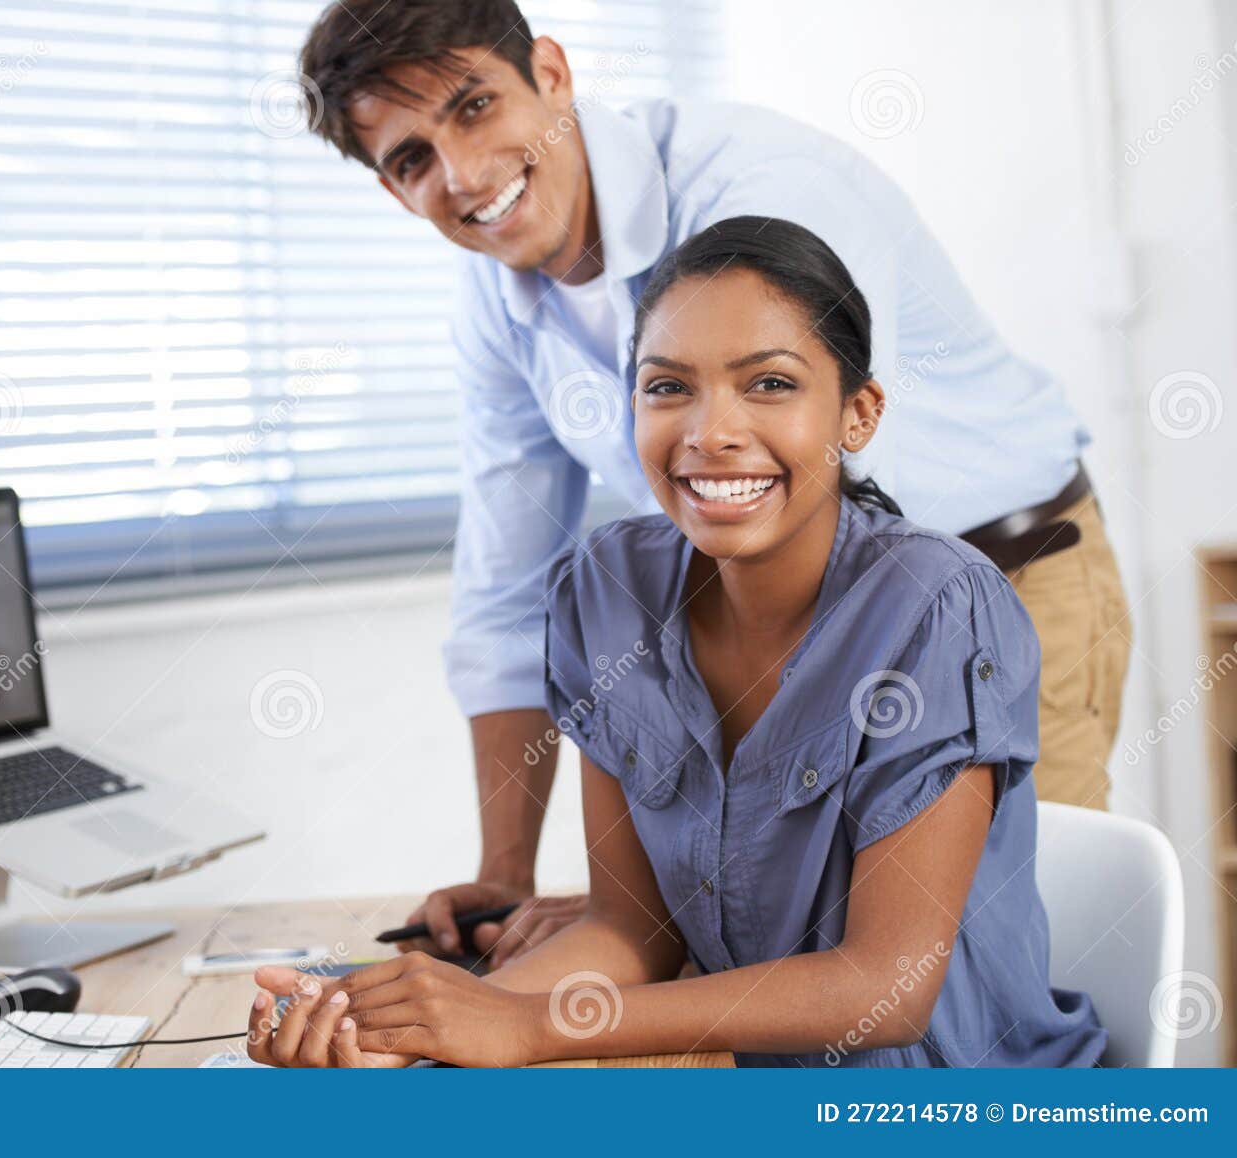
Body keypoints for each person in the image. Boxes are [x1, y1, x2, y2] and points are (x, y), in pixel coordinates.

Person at [297, 0, 1132, 968]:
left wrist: (650, 904)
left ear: (552, 76)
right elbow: (504, 590)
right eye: (410, 159)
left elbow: (831, 505)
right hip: (798, 620)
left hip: (1003, 581)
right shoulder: (496, 300)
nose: (463, 174)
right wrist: (513, 878)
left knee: (1007, 967)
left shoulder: (761, 197)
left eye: (475, 106)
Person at [244, 218, 1107, 1068]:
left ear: (858, 413)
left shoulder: (936, 605)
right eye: (667, 388)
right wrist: (409, 1025)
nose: (709, 431)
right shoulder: (603, 591)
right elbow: (631, 931)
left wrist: (533, 1027)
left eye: (769, 384)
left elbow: (884, 989)